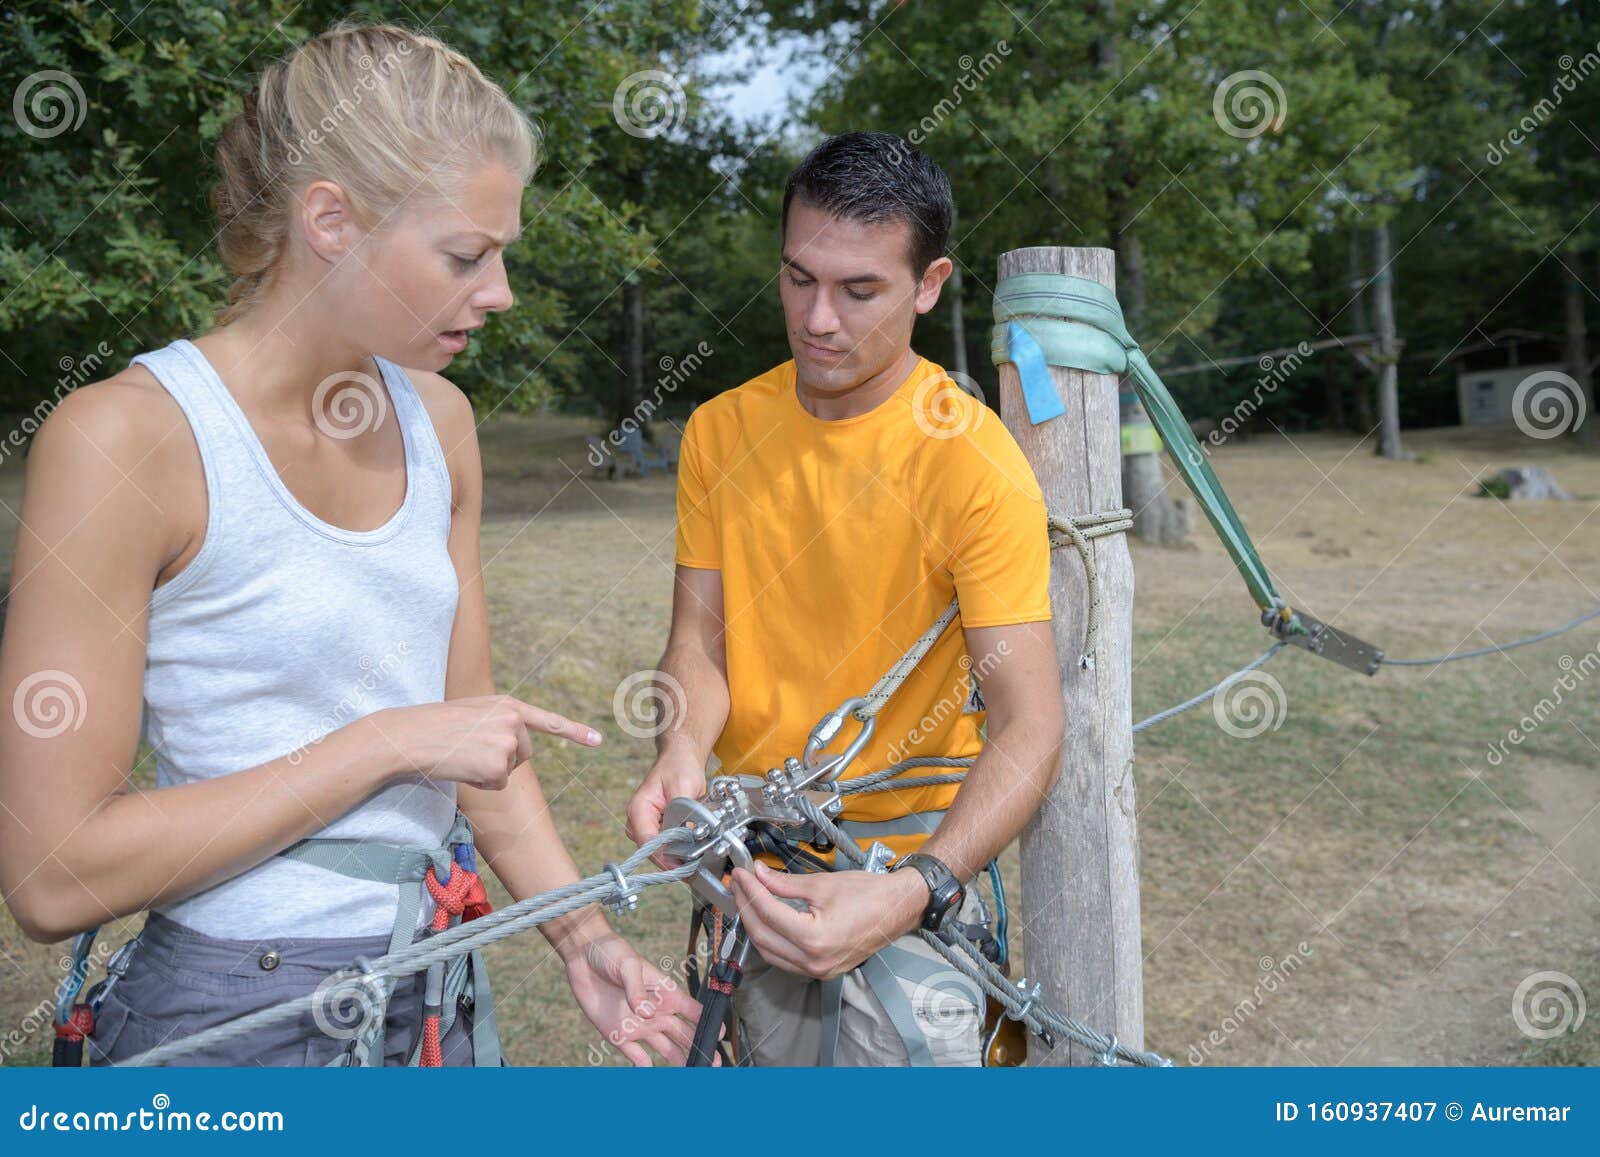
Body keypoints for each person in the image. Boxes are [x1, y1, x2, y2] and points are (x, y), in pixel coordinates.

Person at [0, 21, 706, 1068]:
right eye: (466, 255)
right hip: (232, 1021)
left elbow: (472, 743)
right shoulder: (126, 438)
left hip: (429, 991)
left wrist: (581, 936)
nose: (501, 289)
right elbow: (54, 876)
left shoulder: (442, 424)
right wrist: (383, 742)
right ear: (331, 217)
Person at [625, 131, 1067, 1066]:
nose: (818, 318)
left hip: (903, 877)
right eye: (798, 279)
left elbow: (1031, 724)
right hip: (751, 875)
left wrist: (914, 889)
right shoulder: (721, 431)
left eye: (859, 290)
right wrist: (680, 746)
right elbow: (699, 648)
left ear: (929, 283)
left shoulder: (974, 465)